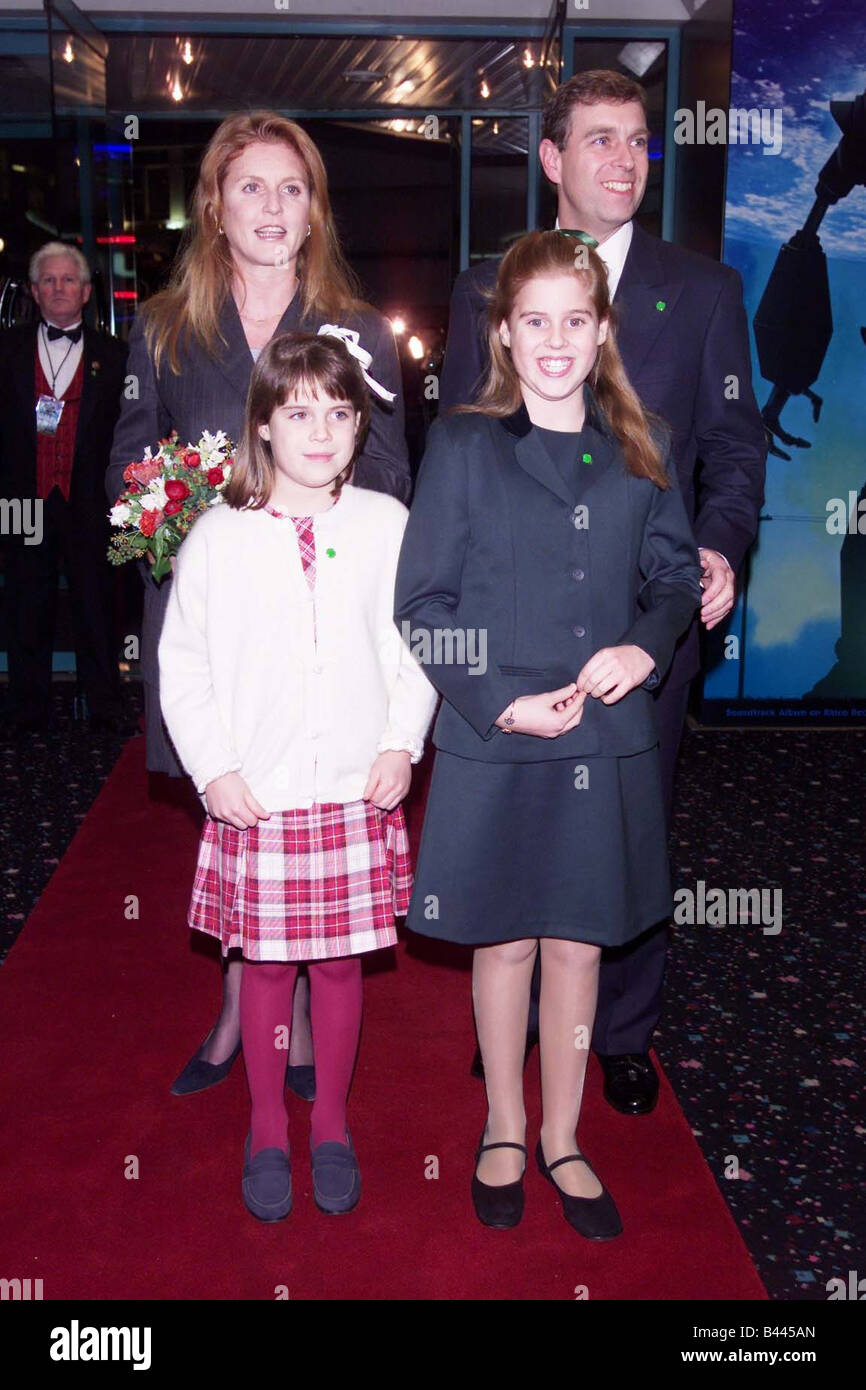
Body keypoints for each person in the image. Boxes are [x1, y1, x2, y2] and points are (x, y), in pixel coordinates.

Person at [439, 70, 767, 1116]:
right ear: (551, 158)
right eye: (599, 139)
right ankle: (516, 1033)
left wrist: (714, 548)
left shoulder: (704, 289)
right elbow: (460, 443)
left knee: (628, 830)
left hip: (645, 624)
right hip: (513, 617)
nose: (624, 159)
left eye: (637, 140)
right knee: (515, 822)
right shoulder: (483, 285)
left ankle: (621, 1032)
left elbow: (733, 447)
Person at [395, 230, 702, 1237]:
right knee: (505, 941)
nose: (556, 339)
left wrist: (644, 647)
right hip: (500, 737)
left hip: (603, 738)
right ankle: (504, 1126)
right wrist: (495, 700)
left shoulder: (643, 441)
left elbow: (672, 577)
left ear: (603, 329)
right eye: (535, 321)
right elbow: (423, 607)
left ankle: (564, 1137)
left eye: (575, 319)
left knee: (578, 944)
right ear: (503, 333)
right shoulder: (462, 445)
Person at [106, 111, 411, 1098]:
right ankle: (242, 1005)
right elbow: (125, 470)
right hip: (221, 635)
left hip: (325, 626)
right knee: (241, 816)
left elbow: (392, 476)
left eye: (291, 188)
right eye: (250, 187)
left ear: (314, 208)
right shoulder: (163, 327)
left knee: (314, 823)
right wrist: (185, 509)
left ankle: (299, 1016)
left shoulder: (361, 331)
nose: (271, 207)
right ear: (214, 207)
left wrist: (308, 500)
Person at [158, 332, 436, 1220]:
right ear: (264, 426)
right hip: (260, 796)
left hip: (355, 786)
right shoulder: (218, 536)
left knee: (343, 969)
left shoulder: (387, 524)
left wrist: (401, 742)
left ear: (361, 425)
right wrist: (213, 768)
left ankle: (332, 1124)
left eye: (341, 413)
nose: (322, 432)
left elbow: (417, 648)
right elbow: (183, 665)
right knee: (268, 971)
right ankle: (269, 1127)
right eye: (300, 412)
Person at [0, 242, 127, 732]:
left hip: (90, 502)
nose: (58, 288)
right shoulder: (6, 350)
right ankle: (25, 708)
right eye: (48, 280)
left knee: (96, 605)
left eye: (68, 280)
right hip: (21, 501)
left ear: (86, 292)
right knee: (24, 603)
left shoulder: (115, 356)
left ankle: (105, 705)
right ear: (34, 292)